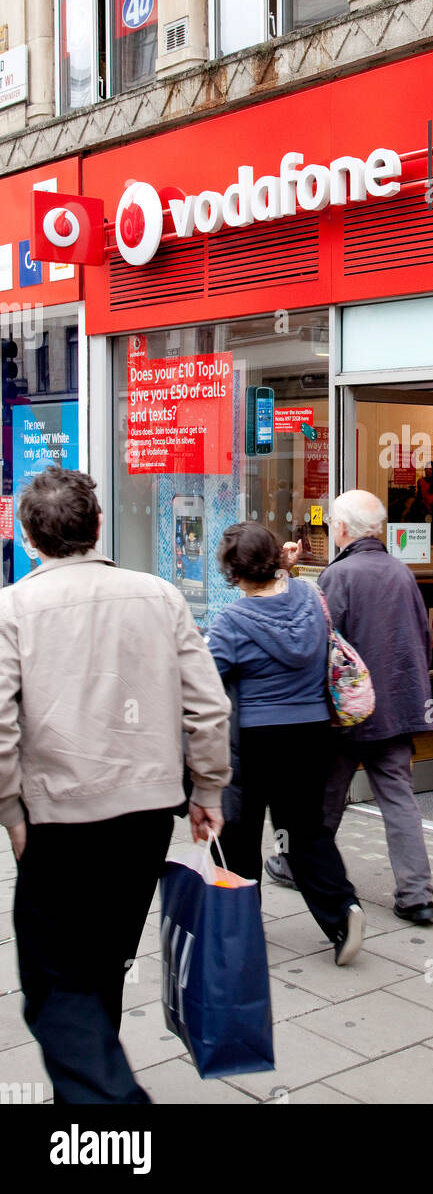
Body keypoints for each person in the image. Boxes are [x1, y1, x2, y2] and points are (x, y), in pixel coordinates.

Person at [0, 467, 232, 1105]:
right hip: (146, 814)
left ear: (26, 537)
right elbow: (208, 708)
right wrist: (208, 791)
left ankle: (111, 1110)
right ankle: (89, 1086)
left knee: (53, 982)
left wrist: (11, 811)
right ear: (98, 528)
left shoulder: (13, 607)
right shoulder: (160, 596)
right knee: (102, 958)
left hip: (58, 819)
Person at [266, 490, 433, 925]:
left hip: (346, 713)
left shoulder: (340, 576)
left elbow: (317, 640)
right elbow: (424, 638)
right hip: (395, 709)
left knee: (324, 798)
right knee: (399, 800)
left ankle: (293, 865)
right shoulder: (401, 573)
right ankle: (417, 895)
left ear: (341, 528)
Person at [205, 521, 364, 965]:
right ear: (276, 561)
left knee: (239, 833)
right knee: (305, 831)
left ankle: (240, 932)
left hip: (255, 741)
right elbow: (284, 585)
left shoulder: (232, 622)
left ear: (232, 572)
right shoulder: (311, 599)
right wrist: (283, 564)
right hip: (312, 732)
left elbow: (207, 683)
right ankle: (342, 912)